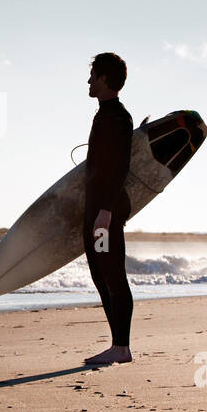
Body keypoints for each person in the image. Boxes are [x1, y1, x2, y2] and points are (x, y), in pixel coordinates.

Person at [83, 52, 134, 365]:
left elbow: (120, 169)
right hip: (96, 211)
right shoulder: (105, 114)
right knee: (100, 276)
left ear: (104, 78)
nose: (89, 81)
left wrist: (105, 212)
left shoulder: (117, 118)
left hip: (105, 213)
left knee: (113, 275)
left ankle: (121, 346)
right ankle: (117, 345)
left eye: (92, 76)